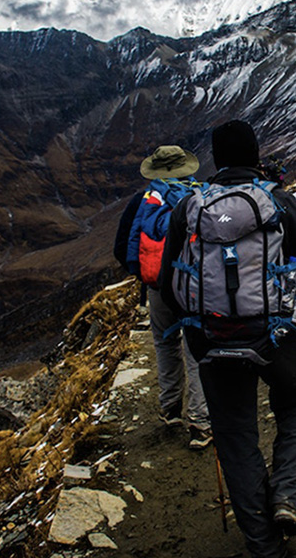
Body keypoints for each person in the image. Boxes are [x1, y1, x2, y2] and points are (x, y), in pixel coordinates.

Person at [160, 120, 296, 558]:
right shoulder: (279, 202)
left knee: (236, 437)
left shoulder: (190, 208)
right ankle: (287, 496)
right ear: (257, 156)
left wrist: (196, 333)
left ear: (216, 160)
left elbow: (168, 284)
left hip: (212, 339)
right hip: (274, 336)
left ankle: (264, 545)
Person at [114, 144, 212, 450]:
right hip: (194, 287)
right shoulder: (202, 196)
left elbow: (121, 247)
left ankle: (170, 410)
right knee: (196, 349)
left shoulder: (143, 201)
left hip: (158, 286)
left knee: (165, 343)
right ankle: (200, 423)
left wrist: (145, 273)